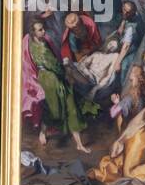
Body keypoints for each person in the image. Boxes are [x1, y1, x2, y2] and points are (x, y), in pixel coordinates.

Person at [22, 19, 95, 154]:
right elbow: (54, 66)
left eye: (43, 28)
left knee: (71, 107)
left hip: (56, 76)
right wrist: (67, 71)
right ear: (33, 33)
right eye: (40, 30)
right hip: (49, 79)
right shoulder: (39, 49)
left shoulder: (43, 41)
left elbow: (56, 63)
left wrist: (64, 69)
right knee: (54, 109)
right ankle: (43, 132)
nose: (43, 31)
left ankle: (79, 144)